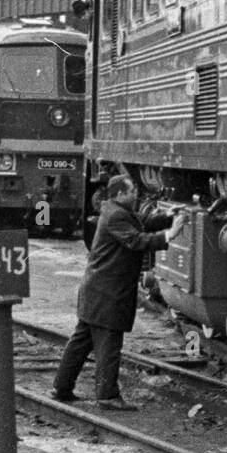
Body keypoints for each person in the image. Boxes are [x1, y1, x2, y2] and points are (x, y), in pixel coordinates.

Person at [52, 175, 185, 409]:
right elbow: (136, 240)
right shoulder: (116, 215)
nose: (136, 194)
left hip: (98, 291)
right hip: (107, 293)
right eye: (133, 190)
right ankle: (107, 395)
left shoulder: (116, 210)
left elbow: (142, 222)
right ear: (120, 193)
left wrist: (167, 216)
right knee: (108, 345)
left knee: (81, 342)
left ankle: (61, 387)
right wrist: (170, 234)